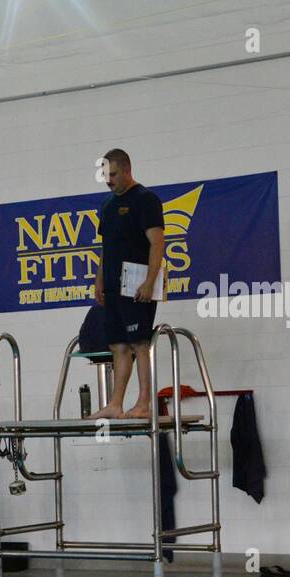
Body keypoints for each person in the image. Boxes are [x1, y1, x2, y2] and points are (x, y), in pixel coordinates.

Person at [91, 148, 165, 420]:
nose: (109, 180)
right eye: (105, 176)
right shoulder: (108, 205)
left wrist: (150, 280)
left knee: (139, 343)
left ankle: (144, 402)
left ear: (126, 170)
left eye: (113, 175)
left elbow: (157, 243)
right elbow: (106, 247)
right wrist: (99, 280)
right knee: (118, 345)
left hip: (136, 282)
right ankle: (115, 403)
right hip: (112, 284)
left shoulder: (145, 200)